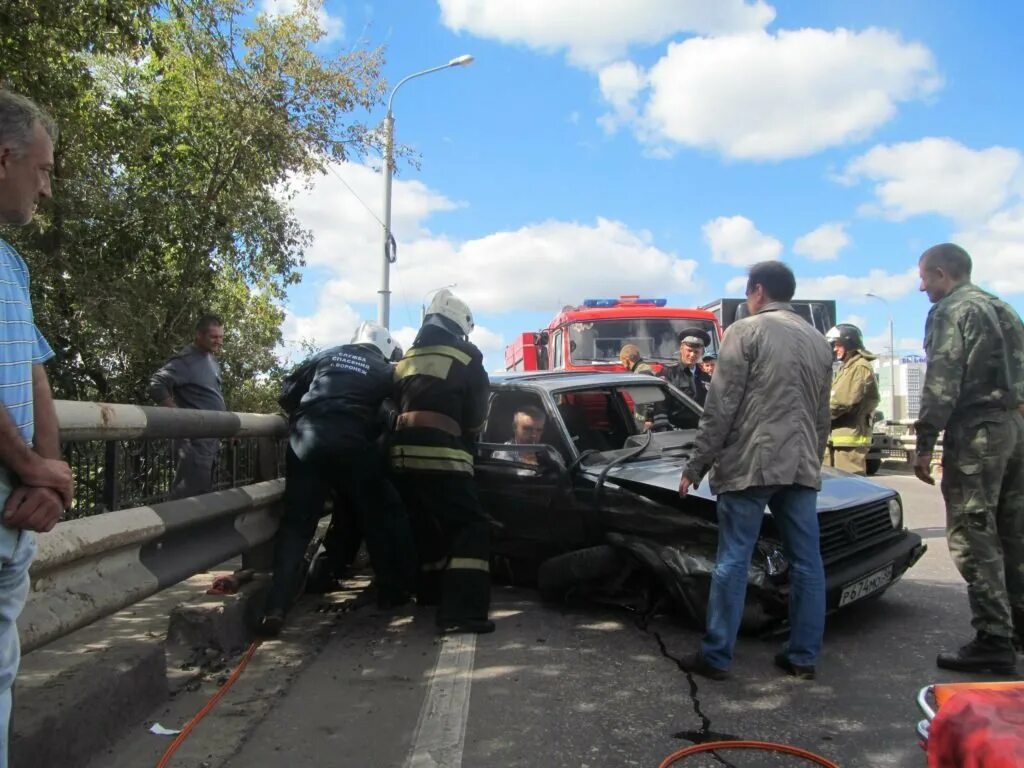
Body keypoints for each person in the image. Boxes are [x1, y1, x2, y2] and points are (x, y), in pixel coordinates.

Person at [678, 261, 833, 681]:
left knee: (733, 558)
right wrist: (812, 460)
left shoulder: (745, 332)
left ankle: (716, 656)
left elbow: (721, 405)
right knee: (807, 563)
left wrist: (697, 464)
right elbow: (822, 416)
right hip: (800, 466)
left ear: (758, 291)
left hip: (752, 464)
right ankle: (802, 656)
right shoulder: (819, 341)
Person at [0, 90, 74, 766]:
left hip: (16, 515)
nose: (47, 190)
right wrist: (27, 462)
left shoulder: (12, 266)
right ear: (5, 158)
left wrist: (50, 479)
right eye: (44, 171)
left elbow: (37, 375)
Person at [260, 322, 415, 635]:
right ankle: (392, 592)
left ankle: (275, 607)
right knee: (379, 514)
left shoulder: (327, 356)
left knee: (297, 525)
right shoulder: (386, 371)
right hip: (353, 445)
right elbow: (391, 415)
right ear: (385, 348)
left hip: (306, 441)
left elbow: (287, 394)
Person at [913, 243, 1024, 674]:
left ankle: (994, 639)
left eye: (924, 277)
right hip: (1013, 426)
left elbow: (943, 378)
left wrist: (925, 442)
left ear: (941, 273)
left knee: (972, 533)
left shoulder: (950, 311)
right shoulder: (1004, 309)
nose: (921, 287)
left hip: (978, 431)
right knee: (1012, 532)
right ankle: (1016, 626)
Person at [390, 289, 493, 634]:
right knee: (472, 527)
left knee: (425, 523)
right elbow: (477, 416)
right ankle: (461, 613)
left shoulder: (409, 356)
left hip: (400, 455)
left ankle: (430, 594)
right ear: (459, 325)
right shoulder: (467, 356)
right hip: (442, 454)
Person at [149, 315, 227, 499]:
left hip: (212, 439)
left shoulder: (212, 361)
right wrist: (176, 413)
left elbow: (211, 397)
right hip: (194, 441)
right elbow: (156, 383)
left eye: (221, 337)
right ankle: (180, 526)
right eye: (214, 337)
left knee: (204, 494)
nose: (219, 341)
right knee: (189, 497)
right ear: (199, 335)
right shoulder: (186, 360)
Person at [823, 324, 880, 475]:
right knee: (833, 489)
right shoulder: (847, 367)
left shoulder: (860, 367)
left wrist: (816, 417)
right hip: (838, 438)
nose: (835, 349)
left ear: (849, 344)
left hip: (849, 440)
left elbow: (842, 402)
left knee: (848, 488)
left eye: (838, 345)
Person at [661, 328, 712, 406]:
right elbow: (660, 404)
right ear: (681, 349)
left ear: (702, 353)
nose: (692, 355)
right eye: (689, 350)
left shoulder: (706, 377)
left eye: (696, 352)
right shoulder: (669, 373)